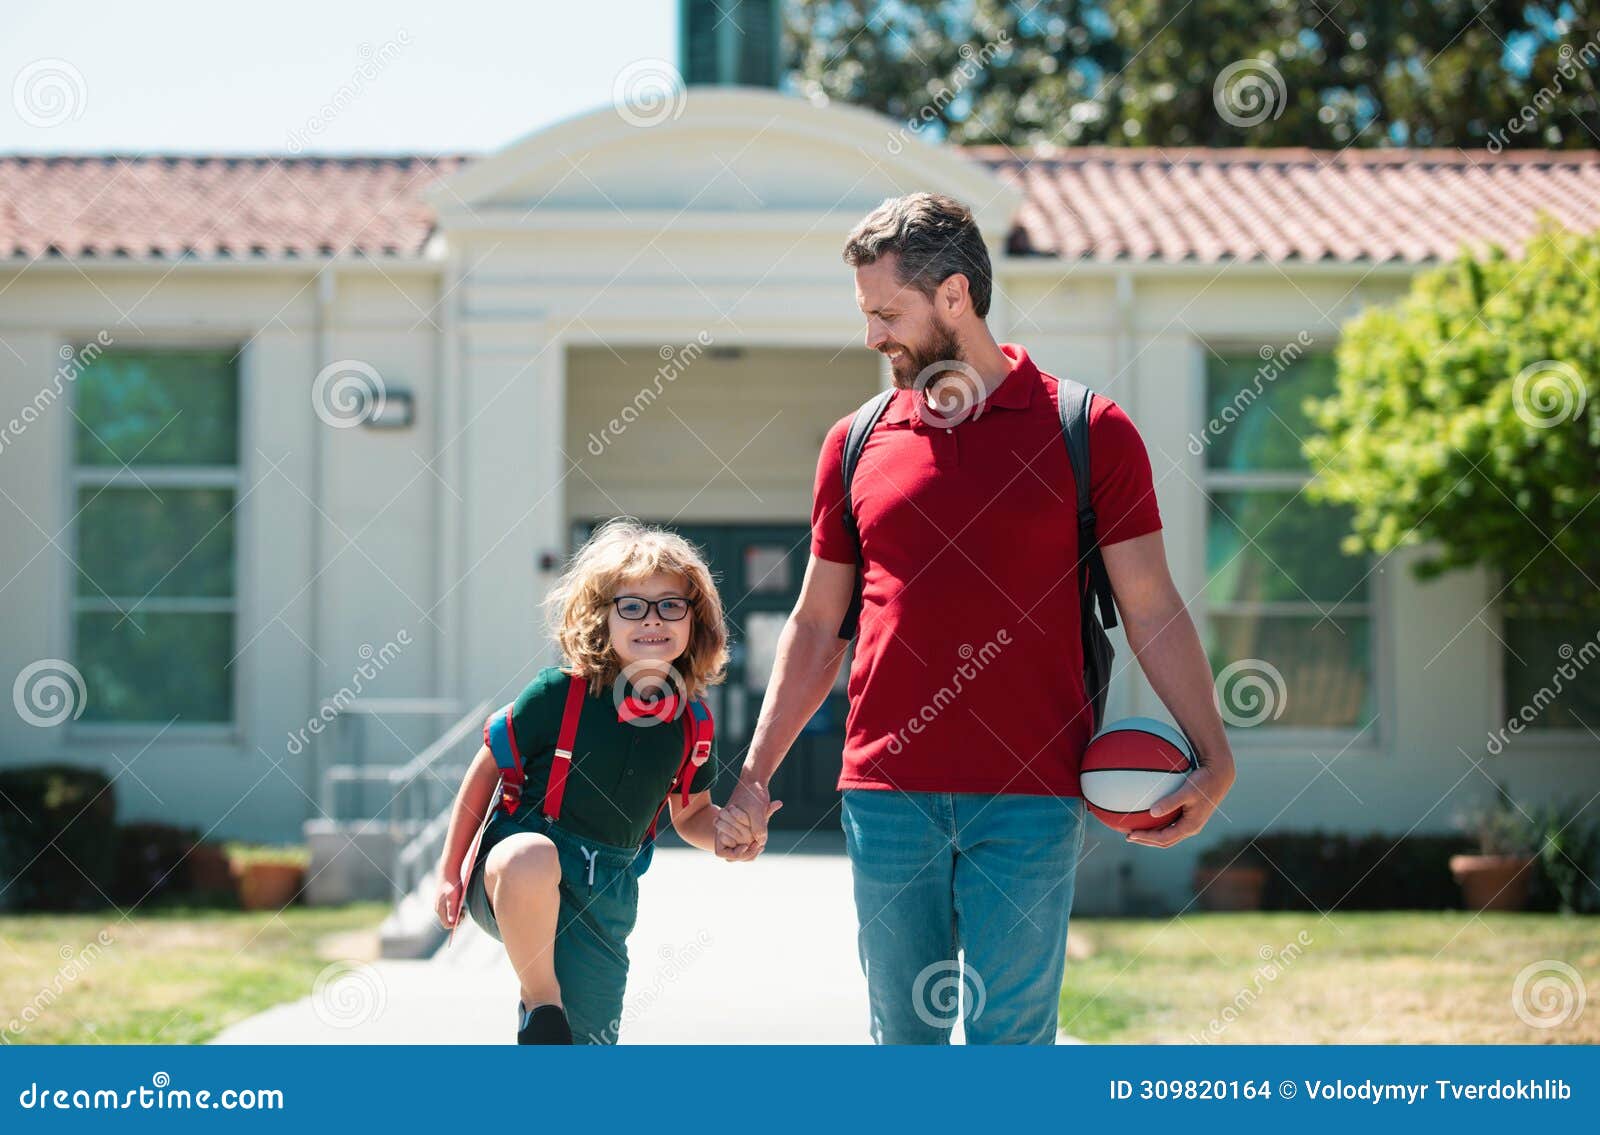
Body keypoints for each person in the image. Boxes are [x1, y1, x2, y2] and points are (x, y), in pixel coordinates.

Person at [715, 192, 1237, 1045]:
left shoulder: (1088, 430)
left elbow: (1152, 606)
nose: (872, 336)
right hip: (886, 797)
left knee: (1013, 1047)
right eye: (865, 314)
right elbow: (814, 627)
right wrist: (754, 772)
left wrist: (1214, 756)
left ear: (955, 295)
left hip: (1032, 796)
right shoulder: (855, 442)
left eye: (888, 314)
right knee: (904, 1042)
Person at [432, 519, 762, 1044]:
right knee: (530, 857)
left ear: (695, 621)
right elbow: (487, 766)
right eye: (631, 606)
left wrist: (727, 834)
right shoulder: (557, 694)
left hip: (606, 890)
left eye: (670, 606)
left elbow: (692, 814)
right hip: (515, 867)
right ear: (601, 617)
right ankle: (541, 1006)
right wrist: (451, 871)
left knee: (589, 1044)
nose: (652, 620)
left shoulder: (692, 722)